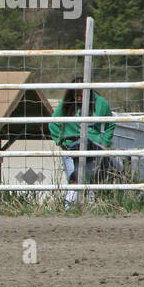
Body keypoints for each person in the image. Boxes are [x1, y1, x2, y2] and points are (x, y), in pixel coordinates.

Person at [49, 77, 114, 205]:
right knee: (74, 178)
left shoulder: (101, 103)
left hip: (93, 147)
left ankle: (88, 205)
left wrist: (104, 142)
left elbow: (110, 124)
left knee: (89, 179)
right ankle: (70, 206)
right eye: (75, 94)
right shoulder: (66, 104)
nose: (78, 98)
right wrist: (60, 140)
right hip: (71, 146)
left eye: (81, 95)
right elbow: (53, 123)